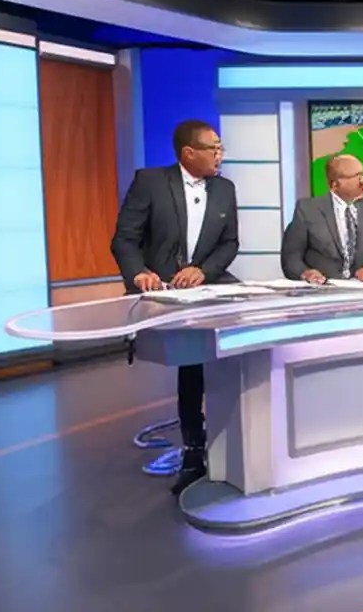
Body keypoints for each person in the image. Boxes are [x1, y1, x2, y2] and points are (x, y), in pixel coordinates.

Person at [110, 119, 239, 494]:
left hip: (207, 286)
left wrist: (203, 270)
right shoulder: (150, 182)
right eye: (214, 148)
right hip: (163, 288)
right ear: (189, 153)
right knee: (192, 363)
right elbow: (124, 240)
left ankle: (231, 438)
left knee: (232, 349)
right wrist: (139, 275)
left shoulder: (225, 189)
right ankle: (194, 449)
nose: (220, 154)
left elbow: (229, 244)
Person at [281, 154, 363, 283]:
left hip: (362, 293)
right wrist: (306, 273)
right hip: (321, 292)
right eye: (357, 176)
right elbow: (291, 257)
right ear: (334, 184)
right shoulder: (307, 210)